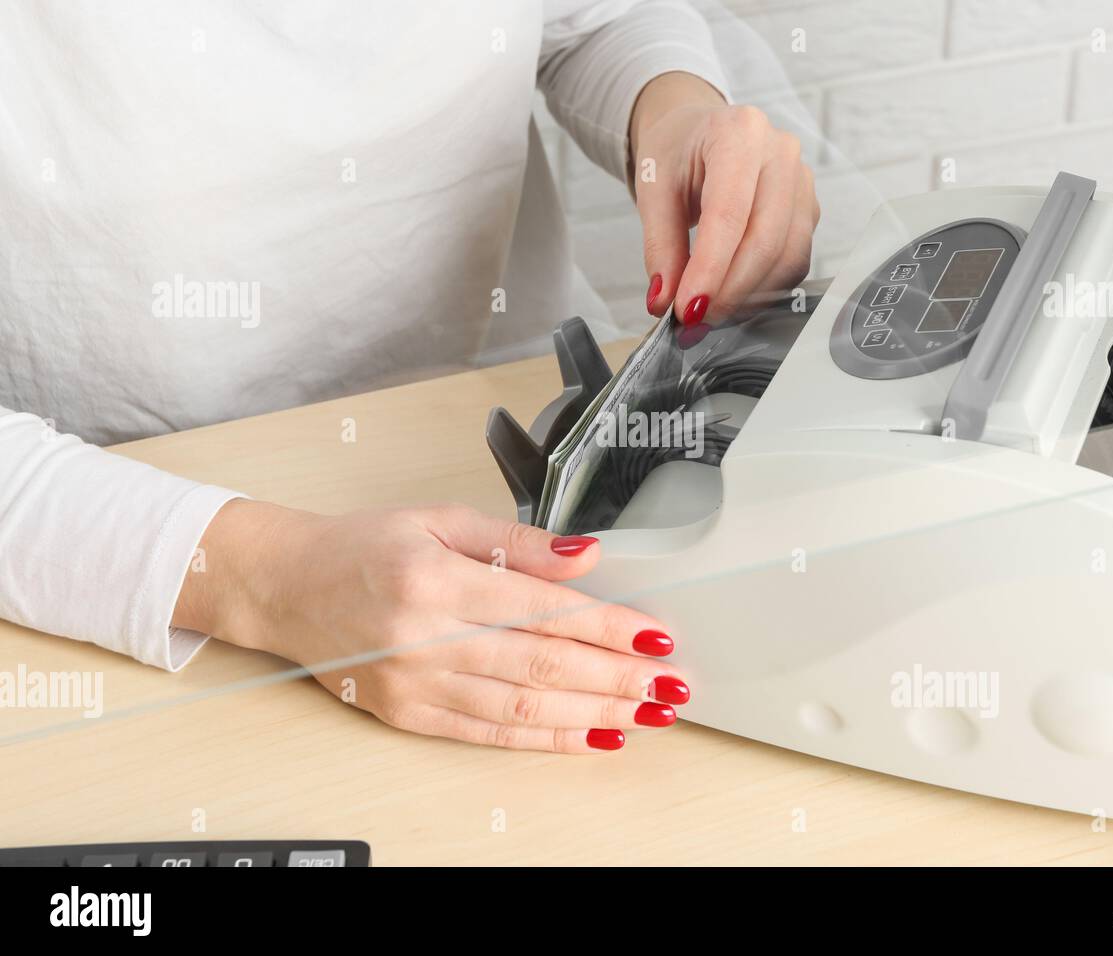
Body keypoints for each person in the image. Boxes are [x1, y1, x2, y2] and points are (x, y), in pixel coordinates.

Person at [0, 0, 818, 753]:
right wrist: (272, 580)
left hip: (510, 419)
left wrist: (675, 112)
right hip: (119, 526)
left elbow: (595, 19)